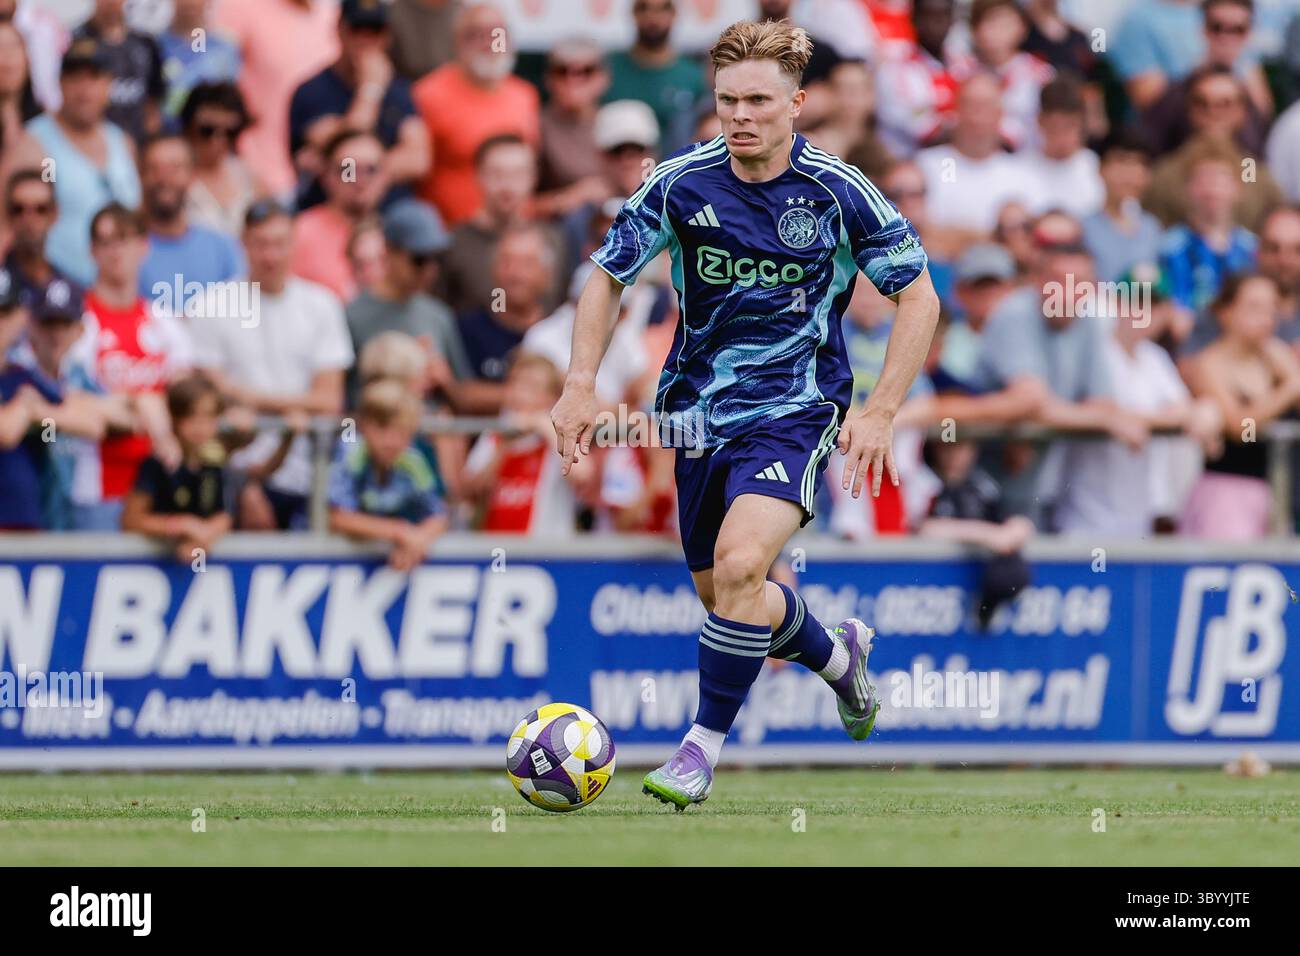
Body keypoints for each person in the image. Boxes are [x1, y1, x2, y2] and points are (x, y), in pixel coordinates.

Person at [550, 20, 939, 807]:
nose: (741, 115)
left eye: (759, 100)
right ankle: (840, 658)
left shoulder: (838, 190)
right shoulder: (680, 183)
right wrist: (580, 382)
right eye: (728, 100)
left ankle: (699, 751)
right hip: (695, 418)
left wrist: (881, 409)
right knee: (732, 595)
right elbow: (606, 276)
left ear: (796, 103)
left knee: (739, 566)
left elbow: (918, 296)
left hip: (796, 410)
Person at [193, 200, 353, 531]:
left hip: (310, 471)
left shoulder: (321, 304)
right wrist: (287, 410)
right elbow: (210, 398)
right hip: (235, 470)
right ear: (244, 244)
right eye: (260, 244)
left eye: (279, 244)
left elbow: (328, 401)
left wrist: (247, 397)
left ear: (294, 244)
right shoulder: (210, 305)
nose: (270, 255)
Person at [80, 203, 191, 524]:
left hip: (159, 492)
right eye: (105, 242)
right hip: (98, 489)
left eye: (124, 240)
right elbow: (76, 402)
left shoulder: (164, 322)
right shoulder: (79, 322)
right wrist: (144, 404)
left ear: (143, 247)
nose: (115, 251)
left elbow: (185, 400)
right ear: (92, 251)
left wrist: (137, 406)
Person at [1182, 274, 1300, 538]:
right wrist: (1290, 386)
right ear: (1226, 312)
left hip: (1276, 494)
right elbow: (1241, 427)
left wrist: (1288, 372)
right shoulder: (1208, 364)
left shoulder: (1275, 356)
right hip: (1227, 497)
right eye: (1254, 307)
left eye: (1272, 309)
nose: (1265, 318)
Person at [288, 0, 429, 211]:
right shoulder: (312, 90)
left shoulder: (399, 89)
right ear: (339, 30)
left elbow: (418, 160)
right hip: (329, 209)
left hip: (391, 210)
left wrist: (366, 171)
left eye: (375, 31)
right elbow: (345, 151)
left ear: (387, 36)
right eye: (357, 29)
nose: (365, 40)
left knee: (423, 223)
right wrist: (370, 90)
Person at [25, 37, 141, 287]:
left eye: (94, 77)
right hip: (58, 296)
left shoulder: (122, 142)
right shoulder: (35, 143)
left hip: (118, 295)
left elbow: (138, 217)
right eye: (75, 78)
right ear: (60, 83)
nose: (84, 89)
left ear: (109, 85)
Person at [412, 2, 539, 226]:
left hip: (516, 232)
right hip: (453, 233)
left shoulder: (525, 96)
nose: (488, 43)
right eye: (476, 35)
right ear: (458, 42)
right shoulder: (428, 95)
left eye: (496, 34)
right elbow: (417, 170)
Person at [346, 199, 469, 404]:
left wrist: (445, 382)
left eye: (437, 258)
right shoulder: (353, 316)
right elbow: (344, 400)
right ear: (389, 251)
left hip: (427, 432)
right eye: (419, 259)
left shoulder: (438, 315)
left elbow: (463, 399)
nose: (430, 270)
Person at [212, 0, 339, 199]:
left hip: (322, 181)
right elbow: (213, 84)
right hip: (260, 175)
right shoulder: (239, 8)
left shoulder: (333, 14)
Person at [328, 377, 448, 571]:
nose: (391, 441)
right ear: (364, 425)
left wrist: (417, 541)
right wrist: (399, 532)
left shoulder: (413, 460)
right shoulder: (350, 452)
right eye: (382, 428)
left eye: (401, 431)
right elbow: (337, 518)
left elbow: (438, 515)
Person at [462, 352, 582, 536]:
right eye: (515, 383)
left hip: (547, 551)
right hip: (498, 549)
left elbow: (583, 476)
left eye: (531, 387)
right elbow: (469, 491)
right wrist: (501, 450)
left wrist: (544, 427)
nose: (519, 393)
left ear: (552, 398)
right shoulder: (494, 435)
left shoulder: (557, 437)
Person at [121, 372, 232, 562]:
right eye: (192, 416)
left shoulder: (213, 463)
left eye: (208, 417)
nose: (200, 426)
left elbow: (223, 515)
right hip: (150, 562)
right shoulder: (156, 463)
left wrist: (203, 537)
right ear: (175, 418)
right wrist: (180, 526)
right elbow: (131, 520)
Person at [454, 224, 559, 414]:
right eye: (506, 262)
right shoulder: (469, 329)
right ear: (492, 270)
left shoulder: (561, 331)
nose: (515, 274)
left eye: (527, 264)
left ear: (547, 274)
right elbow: (460, 392)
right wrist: (523, 396)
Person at [137, 134, 246, 304]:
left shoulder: (222, 247)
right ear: (141, 176)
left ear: (193, 176)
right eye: (154, 168)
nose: (164, 179)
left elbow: (241, 309)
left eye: (175, 169)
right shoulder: (124, 252)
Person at [291, 128, 389, 303]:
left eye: (371, 169)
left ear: (385, 176)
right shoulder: (301, 233)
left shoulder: (396, 234)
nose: (360, 180)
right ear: (327, 175)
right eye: (348, 170)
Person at [0, 266, 62, 530]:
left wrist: (35, 412)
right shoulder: (25, 386)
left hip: (24, 522)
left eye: (5, 313)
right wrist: (26, 406)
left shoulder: (22, 375)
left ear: (21, 316)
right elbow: (7, 431)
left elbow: (91, 418)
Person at [604, 0, 707, 152]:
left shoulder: (694, 76)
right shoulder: (607, 70)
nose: (653, 18)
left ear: (674, 14)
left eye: (663, 8)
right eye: (644, 8)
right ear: (633, 13)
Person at [1081, 127, 1164, 284]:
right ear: (1101, 168)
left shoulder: (1151, 228)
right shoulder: (1082, 228)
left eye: (1138, 164)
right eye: (1121, 161)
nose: (1129, 173)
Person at [72, 0, 163, 143]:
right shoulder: (76, 41)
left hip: (137, 141)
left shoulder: (145, 44)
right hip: (89, 142)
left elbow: (153, 102)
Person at [179, 81, 258, 237]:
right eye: (207, 130)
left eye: (230, 132)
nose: (218, 140)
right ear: (189, 127)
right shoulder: (174, 180)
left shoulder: (250, 179)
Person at [157, 0, 241, 128]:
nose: (190, 3)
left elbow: (228, 103)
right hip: (165, 137)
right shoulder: (153, 46)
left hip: (206, 140)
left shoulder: (224, 50)